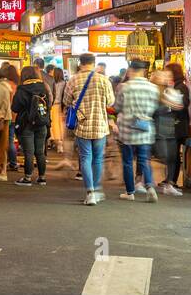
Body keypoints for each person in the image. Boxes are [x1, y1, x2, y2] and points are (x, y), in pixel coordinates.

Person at [63, 53, 115, 206]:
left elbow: (66, 101)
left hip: (82, 124)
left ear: (80, 64)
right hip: (100, 125)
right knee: (98, 158)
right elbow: (111, 102)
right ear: (93, 64)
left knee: (86, 158)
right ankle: (97, 190)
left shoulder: (73, 80)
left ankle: (90, 192)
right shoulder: (103, 79)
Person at [113, 60, 159, 202]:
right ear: (144, 71)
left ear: (131, 70)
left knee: (127, 161)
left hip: (127, 129)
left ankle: (130, 192)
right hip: (145, 128)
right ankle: (150, 187)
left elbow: (117, 107)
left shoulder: (123, 87)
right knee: (144, 160)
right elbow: (155, 108)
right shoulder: (153, 88)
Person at [153, 63, 191, 196]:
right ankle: (169, 180)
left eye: (168, 71)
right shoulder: (171, 86)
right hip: (170, 126)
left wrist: (170, 104)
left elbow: (183, 104)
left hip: (177, 126)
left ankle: (171, 181)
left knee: (173, 155)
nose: (165, 73)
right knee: (170, 155)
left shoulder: (181, 87)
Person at [11, 65, 52, 185]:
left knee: (29, 151)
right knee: (39, 151)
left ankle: (27, 178)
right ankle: (42, 177)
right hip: (42, 123)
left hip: (26, 124)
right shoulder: (44, 87)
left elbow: (15, 107)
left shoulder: (22, 89)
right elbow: (49, 104)